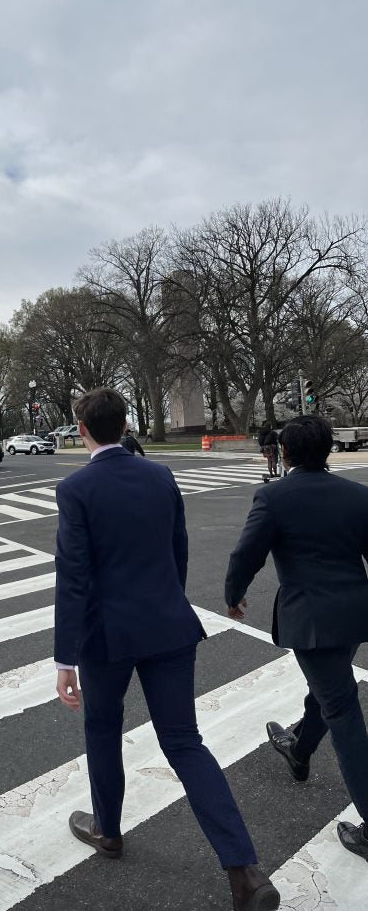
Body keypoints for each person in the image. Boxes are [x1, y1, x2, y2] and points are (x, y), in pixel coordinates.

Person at [54, 387, 278, 911]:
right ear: (125, 424)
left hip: (106, 635)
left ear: (82, 430)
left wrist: (65, 657)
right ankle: (243, 868)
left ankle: (109, 829)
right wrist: (168, 602)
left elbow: (73, 578)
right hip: (168, 624)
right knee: (184, 742)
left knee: (103, 730)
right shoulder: (160, 476)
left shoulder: (75, 488)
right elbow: (178, 549)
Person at [225, 414, 368, 862]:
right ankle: (299, 749)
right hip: (354, 614)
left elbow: (247, 553)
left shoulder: (274, 496)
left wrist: (234, 594)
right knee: (329, 689)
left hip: (310, 619)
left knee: (342, 710)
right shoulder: (357, 495)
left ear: (284, 452)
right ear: (327, 451)